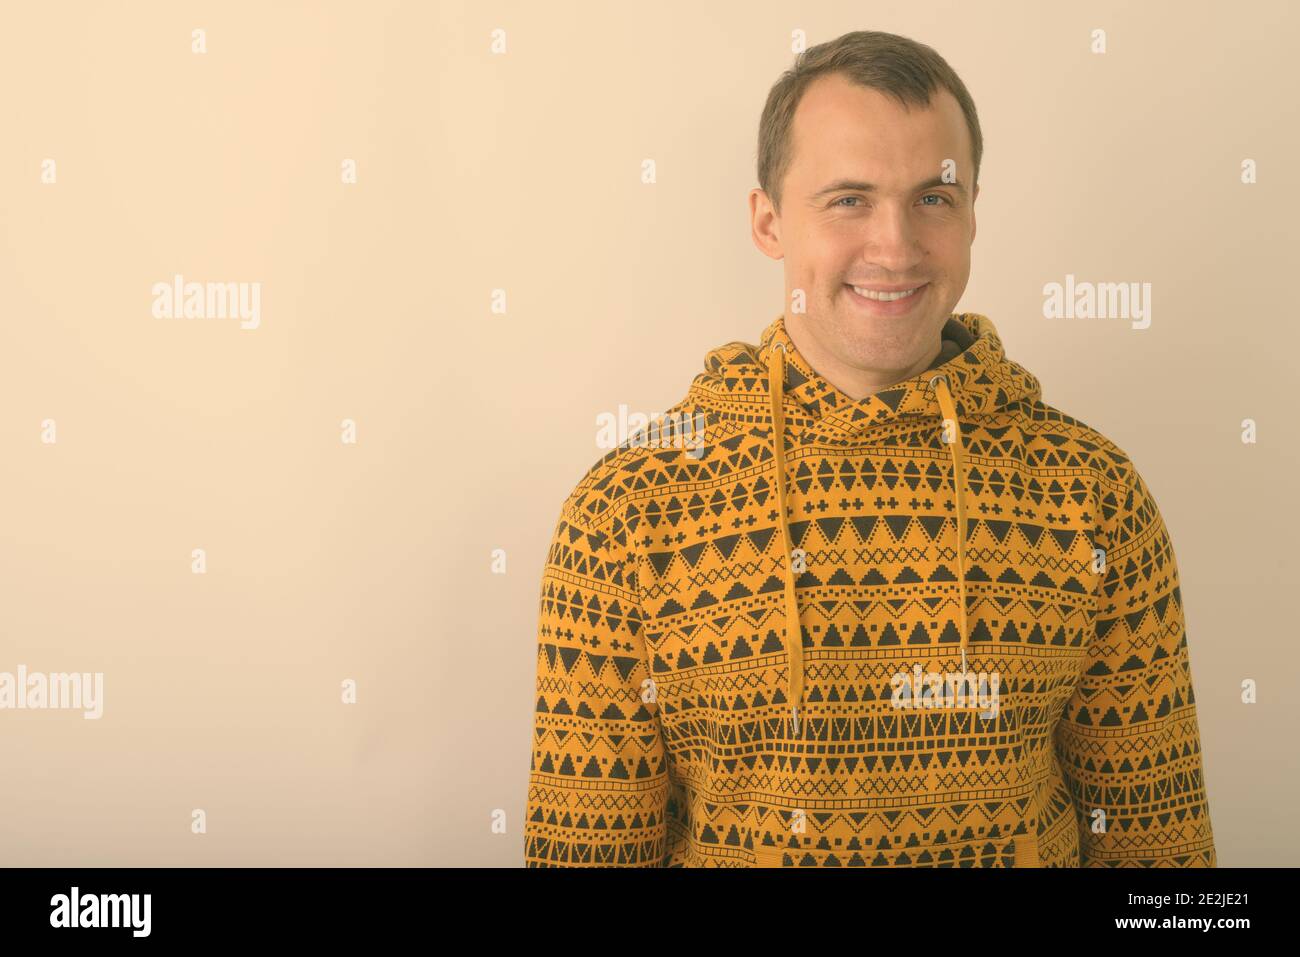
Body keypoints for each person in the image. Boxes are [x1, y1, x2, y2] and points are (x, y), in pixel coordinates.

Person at [523, 30, 1216, 867]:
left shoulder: (1094, 491)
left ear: (971, 213)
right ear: (769, 222)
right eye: (849, 199)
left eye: (934, 197)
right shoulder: (627, 511)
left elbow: (1160, 854)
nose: (895, 246)